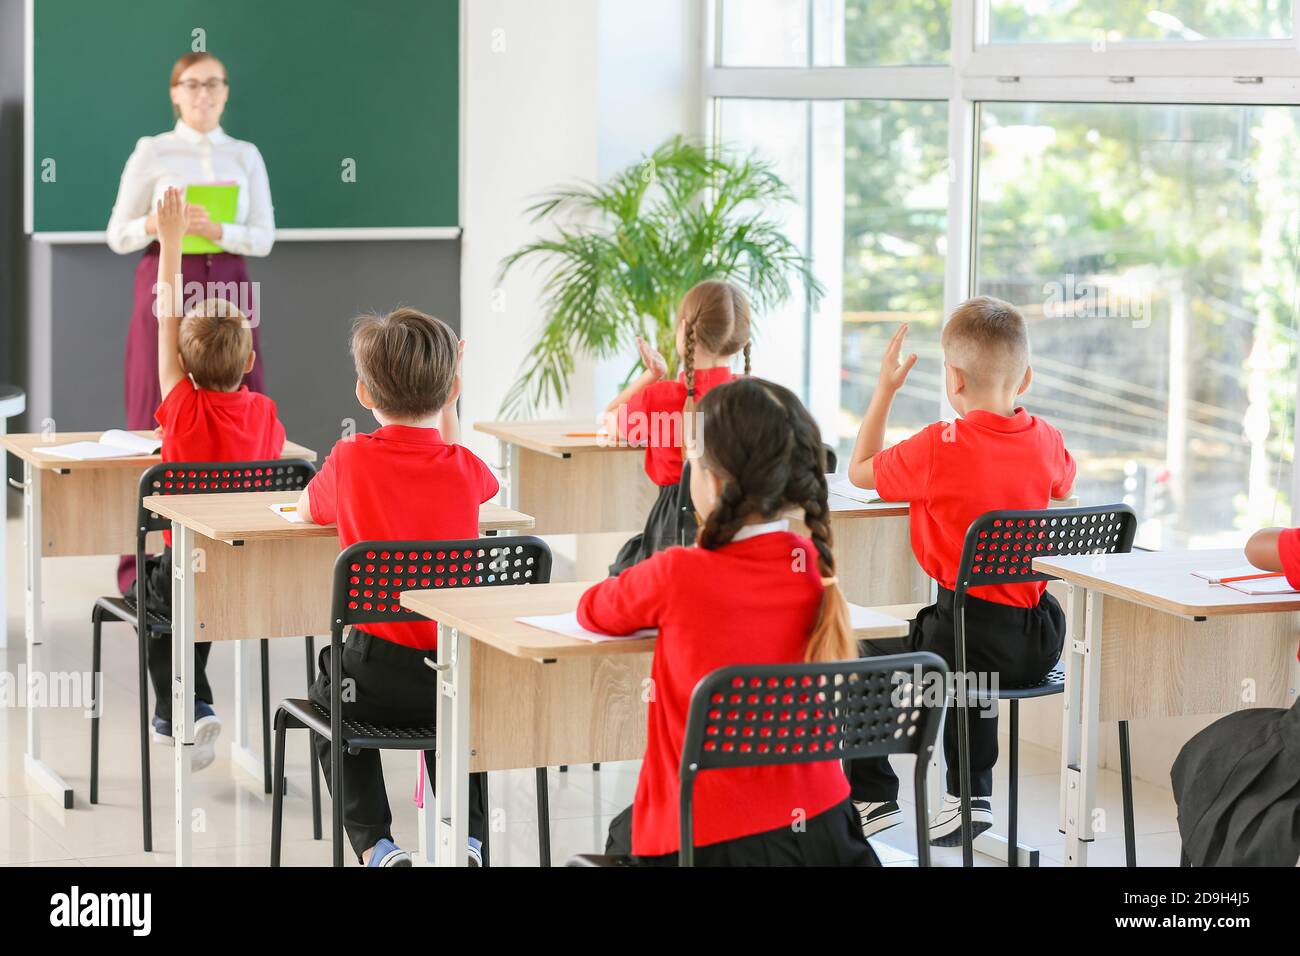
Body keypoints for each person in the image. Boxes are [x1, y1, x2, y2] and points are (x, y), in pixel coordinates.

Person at [580, 377, 877, 866]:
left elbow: (594, 609)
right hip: (825, 834)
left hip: (703, 839)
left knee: (620, 837)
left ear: (712, 481)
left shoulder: (677, 572)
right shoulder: (813, 568)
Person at [844, 297, 1076, 845]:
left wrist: (885, 389)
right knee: (971, 641)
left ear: (952, 378)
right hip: (1040, 640)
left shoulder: (935, 447)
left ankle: (875, 798)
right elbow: (1065, 484)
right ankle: (970, 793)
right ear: (1026, 379)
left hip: (967, 641)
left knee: (867, 648)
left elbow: (858, 472)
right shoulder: (1045, 438)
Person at [296, 308, 497, 867]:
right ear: (452, 388)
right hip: (451, 677)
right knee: (456, 722)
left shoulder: (351, 457)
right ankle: (470, 840)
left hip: (371, 679)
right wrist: (449, 402)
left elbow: (312, 510)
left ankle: (376, 845)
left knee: (326, 704)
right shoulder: (465, 468)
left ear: (363, 392)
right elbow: (458, 466)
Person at [146, 187, 285, 770]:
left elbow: (166, 317)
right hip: (246, 567)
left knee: (155, 602)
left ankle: (180, 703)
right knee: (191, 596)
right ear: (251, 364)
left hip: (190, 570)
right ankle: (192, 700)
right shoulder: (264, 412)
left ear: (181, 362)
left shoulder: (181, 407)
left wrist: (170, 245)